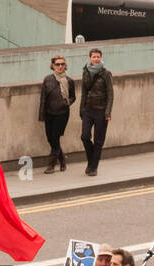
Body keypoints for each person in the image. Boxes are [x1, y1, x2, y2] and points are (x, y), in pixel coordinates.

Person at [79, 48, 113, 176]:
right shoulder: (86, 72)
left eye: (98, 57)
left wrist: (108, 112)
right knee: (85, 136)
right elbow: (83, 92)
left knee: (99, 141)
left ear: (101, 58)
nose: (96, 59)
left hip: (101, 111)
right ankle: (92, 160)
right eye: (94, 57)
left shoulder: (106, 73)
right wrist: (81, 109)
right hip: (88, 109)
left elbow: (111, 94)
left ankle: (93, 167)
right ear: (90, 58)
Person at [39, 54, 75, 174]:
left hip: (62, 113)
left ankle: (51, 165)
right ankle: (62, 159)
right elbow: (43, 98)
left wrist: (67, 103)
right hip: (49, 113)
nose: (60, 66)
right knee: (50, 138)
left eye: (62, 64)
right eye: (57, 64)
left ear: (65, 66)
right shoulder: (47, 79)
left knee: (55, 137)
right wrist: (42, 115)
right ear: (52, 66)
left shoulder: (69, 81)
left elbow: (73, 97)